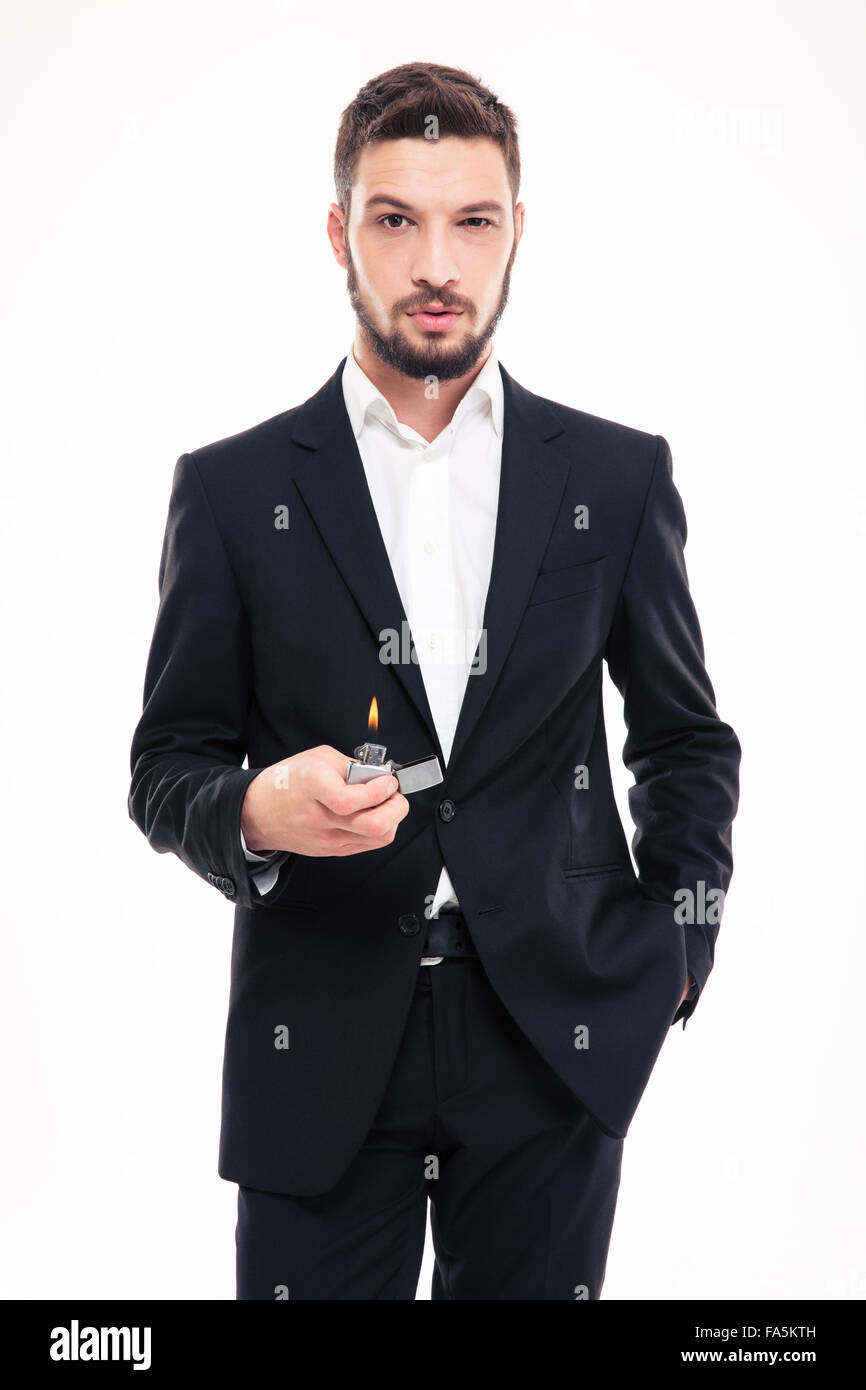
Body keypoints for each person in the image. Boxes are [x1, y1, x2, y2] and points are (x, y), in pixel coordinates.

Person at [128, 61, 741, 1300]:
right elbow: (166, 767)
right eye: (394, 218)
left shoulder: (616, 479)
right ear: (338, 234)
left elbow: (683, 741)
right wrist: (251, 812)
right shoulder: (235, 491)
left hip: (547, 1036)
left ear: (516, 230)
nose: (435, 265)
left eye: (471, 220)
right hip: (320, 1035)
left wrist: (669, 957)